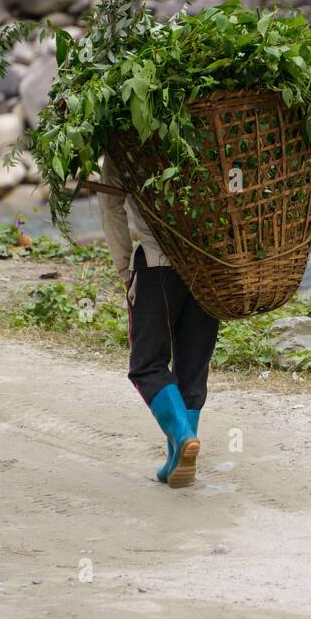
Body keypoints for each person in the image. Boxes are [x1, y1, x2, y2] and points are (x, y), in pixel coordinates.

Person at [98, 169, 219, 489]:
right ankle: (178, 458)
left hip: (156, 266)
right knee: (192, 368)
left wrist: (126, 269)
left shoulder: (123, 141)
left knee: (147, 365)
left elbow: (111, 207)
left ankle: (182, 437)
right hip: (209, 265)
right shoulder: (215, 133)